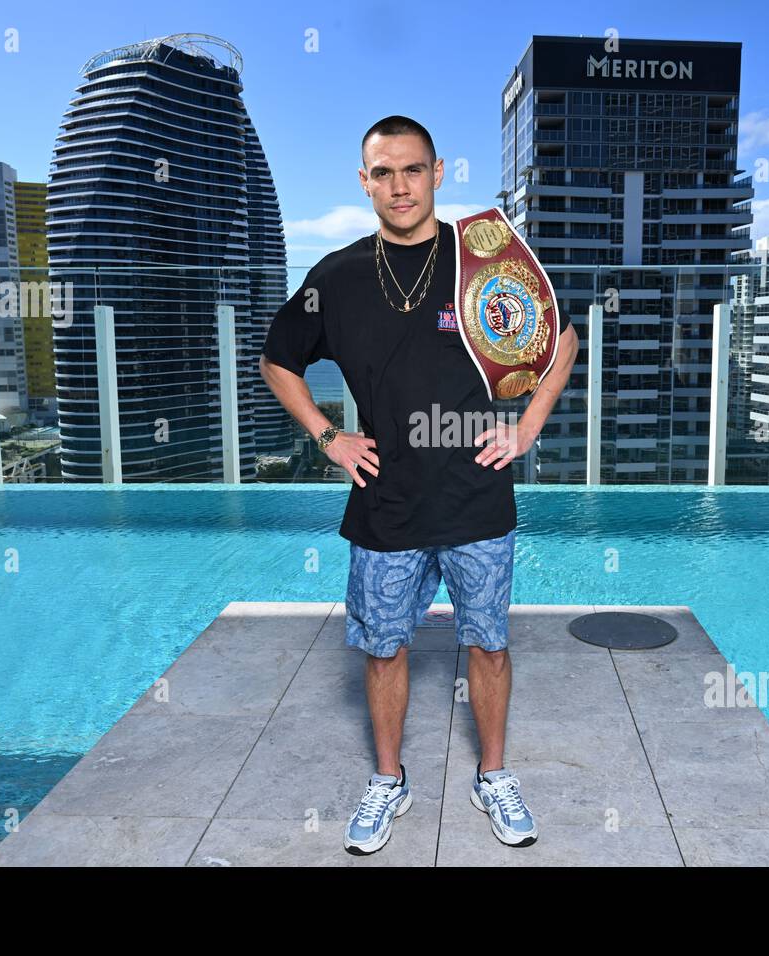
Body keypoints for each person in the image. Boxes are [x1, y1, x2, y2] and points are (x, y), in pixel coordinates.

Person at [259, 115, 577, 856]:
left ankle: (492, 775)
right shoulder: (335, 277)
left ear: (438, 173)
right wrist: (328, 436)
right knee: (382, 648)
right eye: (382, 172)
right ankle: (388, 781)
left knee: (489, 644)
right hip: (385, 497)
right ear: (364, 181)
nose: (398, 186)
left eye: (412, 170)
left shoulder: (481, 261)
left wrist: (526, 430)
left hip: (476, 494)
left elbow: (561, 341)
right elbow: (278, 360)